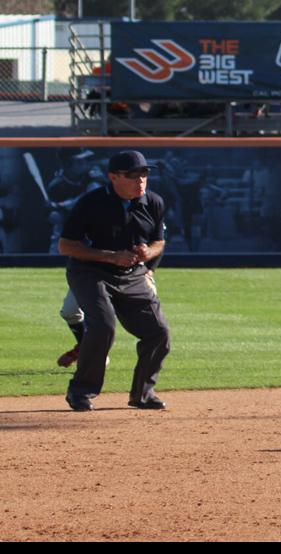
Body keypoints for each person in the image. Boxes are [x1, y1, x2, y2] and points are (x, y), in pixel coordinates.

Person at [59, 150, 173, 412]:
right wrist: (110, 257)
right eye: (133, 175)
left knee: (158, 333)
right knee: (103, 326)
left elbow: (159, 241)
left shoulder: (153, 202)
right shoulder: (91, 203)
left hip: (131, 274)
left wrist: (149, 252)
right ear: (113, 177)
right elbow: (66, 246)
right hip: (90, 272)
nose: (140, 179)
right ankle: (81, 391)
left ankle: (142, 394)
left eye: (144, 173)